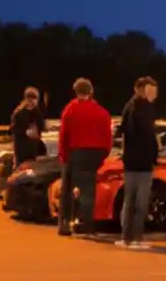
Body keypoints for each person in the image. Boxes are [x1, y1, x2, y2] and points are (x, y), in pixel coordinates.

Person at [57, 78, 113, 236]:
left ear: (75, 91)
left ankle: (64, 224)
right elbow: (107, 137)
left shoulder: (70, 110)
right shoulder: (102, 112)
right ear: (91, 92)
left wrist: (63, 156)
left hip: (75, 152)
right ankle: (88, 225)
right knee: (88, 191)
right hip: (95, 153)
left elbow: (64, 135)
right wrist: (103, 154)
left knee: (67, 189)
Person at [117, 77, 160, 249]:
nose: (154, 94)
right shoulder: (144, 108)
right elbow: (148, 136)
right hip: (142, 161)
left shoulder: (129, 107)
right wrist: (154, 156)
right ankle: (137, 238)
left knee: (129, 200)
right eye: (152, 90)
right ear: (141, 89)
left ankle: (126, 237)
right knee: (141, 202)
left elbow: (124, 132)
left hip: (130, 161)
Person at [10, 87, 46, 167]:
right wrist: (26, 131)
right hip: (26, 150)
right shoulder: (21, 112)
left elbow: (41, 126)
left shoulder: (34, 111)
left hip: (27, 150)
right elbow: (13, 129)